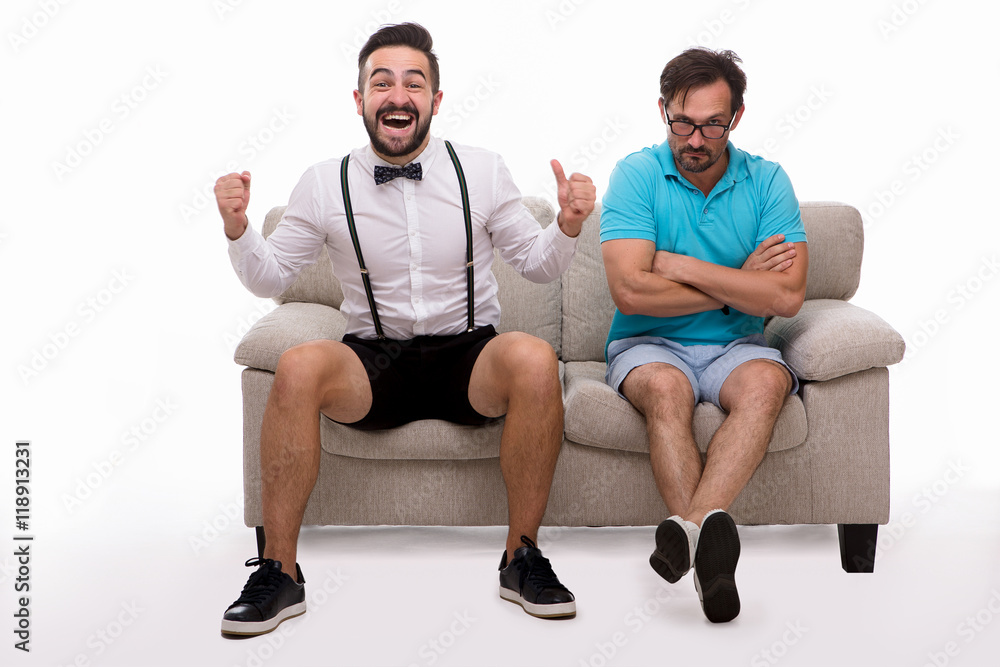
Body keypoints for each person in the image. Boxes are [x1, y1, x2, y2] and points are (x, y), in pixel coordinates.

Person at [214, 23, 595, 636]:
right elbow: (271, 275)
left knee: (531, 356)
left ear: (435, 101)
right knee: (296, 364)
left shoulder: (484, 170)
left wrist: (570, 224)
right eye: (381, 82)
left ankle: (521, 557)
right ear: (360, 98)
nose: (398, 95)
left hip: (469, 355)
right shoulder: (323, 181)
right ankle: (279, 573)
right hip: (374, 359)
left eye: (413, 82)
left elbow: (538, 264)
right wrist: (238, 228)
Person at [600, 47, 807, 623]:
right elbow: (633, 295)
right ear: (662, 110)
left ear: (736, 118)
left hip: (738, 347)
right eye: (683, 122)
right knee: (668, 392)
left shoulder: (767, 182)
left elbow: (787, 297)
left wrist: (684, 266)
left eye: (712, 124)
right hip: (647, 344)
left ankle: (689, 537)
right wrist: (743, 281)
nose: (695, 138)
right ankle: (710, 559)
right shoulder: (637, 174)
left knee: (767, 385)